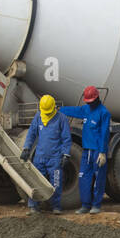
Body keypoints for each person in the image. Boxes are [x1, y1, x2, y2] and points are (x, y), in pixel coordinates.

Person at [59, 85, 111, 214]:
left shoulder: (104, 113)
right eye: (87, 102)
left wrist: (103, 152)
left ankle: (96, 205)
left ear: (97, 98)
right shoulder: (86, 109)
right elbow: (75, 111)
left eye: (91, 101)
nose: (89, 104)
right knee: (83, 177)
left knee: (98, 178)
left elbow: (105, 133)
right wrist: (59, 109)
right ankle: (85, 205)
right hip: (86, 151)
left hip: (98, 152)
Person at [20, 95, 71, 213]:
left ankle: (56, 206)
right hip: (39, 157)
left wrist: (66, 154)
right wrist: (26, 148)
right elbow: (31, 133)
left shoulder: (61, 118)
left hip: (55, 158)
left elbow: (66, 139)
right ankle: (33, 205)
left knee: (56, 183)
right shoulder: (38, 116)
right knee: (36, 182)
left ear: (54, 107)